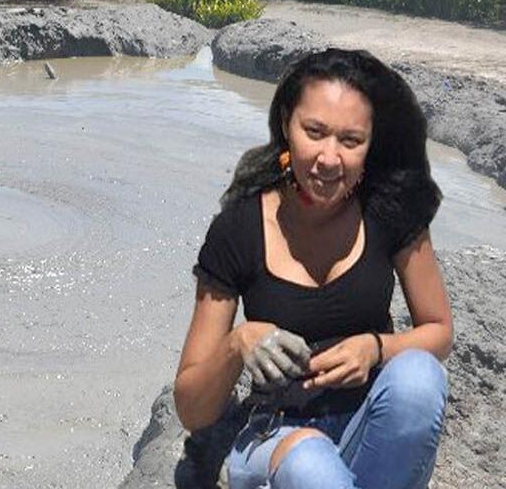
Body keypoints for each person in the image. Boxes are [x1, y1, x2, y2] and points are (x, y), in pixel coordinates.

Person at [173, 48, 452, 488]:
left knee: (418, 379)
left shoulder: (390, 210)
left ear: (370, 144)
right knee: (312, 466)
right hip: (276, 435)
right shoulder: (239, 228)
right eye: (314, 132)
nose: (328, 158)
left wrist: (375, 349)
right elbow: (191, 408)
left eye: (350, 140)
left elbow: (438, 331)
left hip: (368, 426)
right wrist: (237, 343)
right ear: (286, 124)